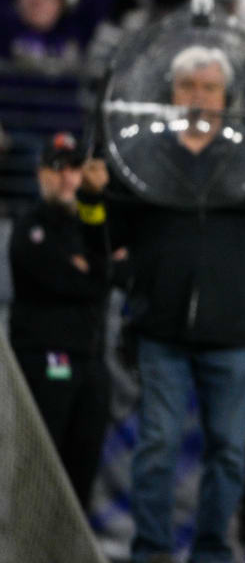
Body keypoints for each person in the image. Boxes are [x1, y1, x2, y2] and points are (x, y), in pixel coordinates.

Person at [110, 45, 245, 563]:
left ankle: (211, 553)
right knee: (156, 449)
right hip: (160, 330)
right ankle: (151, 552)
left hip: (230, 334)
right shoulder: (145, 157)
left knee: (228, 453)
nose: (198, 97)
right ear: (171, 93)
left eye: (208, 88)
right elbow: (116, 229)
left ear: (227, 98)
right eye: (188, 87)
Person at [8, 133, 117, 510]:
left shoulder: (92, 222)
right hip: (45, 361)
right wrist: (96, 272)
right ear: (41, 173)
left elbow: (108, 277)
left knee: (82, 470)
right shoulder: (28, 228)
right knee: (41, 465)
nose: (67, 178)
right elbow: (79, 281)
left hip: (91, 361)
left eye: (74, 168)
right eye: (57, 168)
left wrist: (94, 271)